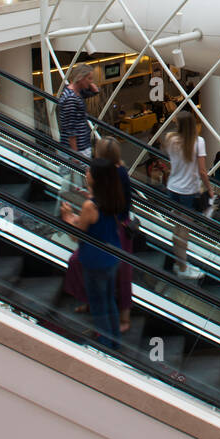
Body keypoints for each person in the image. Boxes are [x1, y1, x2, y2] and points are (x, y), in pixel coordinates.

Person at [65, 137, 134, 333]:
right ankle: (102, 312)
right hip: (113, 229)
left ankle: (114, 323)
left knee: (115, 275)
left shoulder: (113, 174)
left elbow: (79, 234)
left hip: (114, 231)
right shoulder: (116, 172)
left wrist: (74, 218)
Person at [60, 160, 123, 351]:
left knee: (98, 305)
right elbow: (96, 225)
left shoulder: (90, 205)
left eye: (89, 171)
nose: (86, 172)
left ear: (95, 178)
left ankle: (104, 347)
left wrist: (68, 217)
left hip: (94, 261)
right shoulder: (112, 198)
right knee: (109, 300)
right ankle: (115, 341)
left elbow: (76, 235)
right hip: (111, 257)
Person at [160, 110, 211, 275]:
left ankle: (179, 261)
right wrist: (209, 189)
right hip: (188, 191)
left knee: (177, 227)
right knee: (184, 230)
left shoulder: (170, 139)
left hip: (173, 188)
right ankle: (182, 266)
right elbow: (202, 171)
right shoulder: (198, 142)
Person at [57, 65, 99, 158]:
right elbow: (70, 129)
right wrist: (75, 154)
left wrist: (88, 82)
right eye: (89, 78)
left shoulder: (76, 92)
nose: (91, 82)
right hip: (77, 149)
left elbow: (95, 91)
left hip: (80, 146)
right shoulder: (71, 99)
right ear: (80, 78)